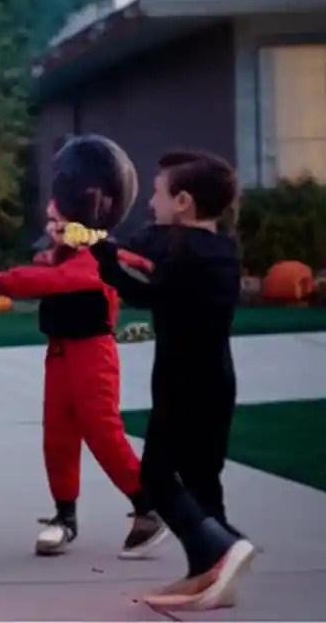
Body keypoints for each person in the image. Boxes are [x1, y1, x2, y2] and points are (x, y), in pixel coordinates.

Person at [0, 135, 165, 559]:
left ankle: (148, 505)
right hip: (60, 354)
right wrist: (53, 249)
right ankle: (65, 516)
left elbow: (55, 282)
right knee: (58, 437)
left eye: (60, 215)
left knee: (102, 431)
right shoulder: (67, 253)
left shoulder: (97, 257)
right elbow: (50, 270)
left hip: (92, 356)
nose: (51, 221)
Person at [80, 149, 256, 611]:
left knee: (157, 478)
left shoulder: (174, 245)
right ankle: (209, 576)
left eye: (157, 194)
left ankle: (223, 546)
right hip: (217, 380)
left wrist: (92, 242)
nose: (151, 204)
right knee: (202, 478)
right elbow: (153, 287)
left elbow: (134, 282)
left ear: (182, 201)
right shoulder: (222, 250)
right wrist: (106, 250)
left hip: (181, 384)